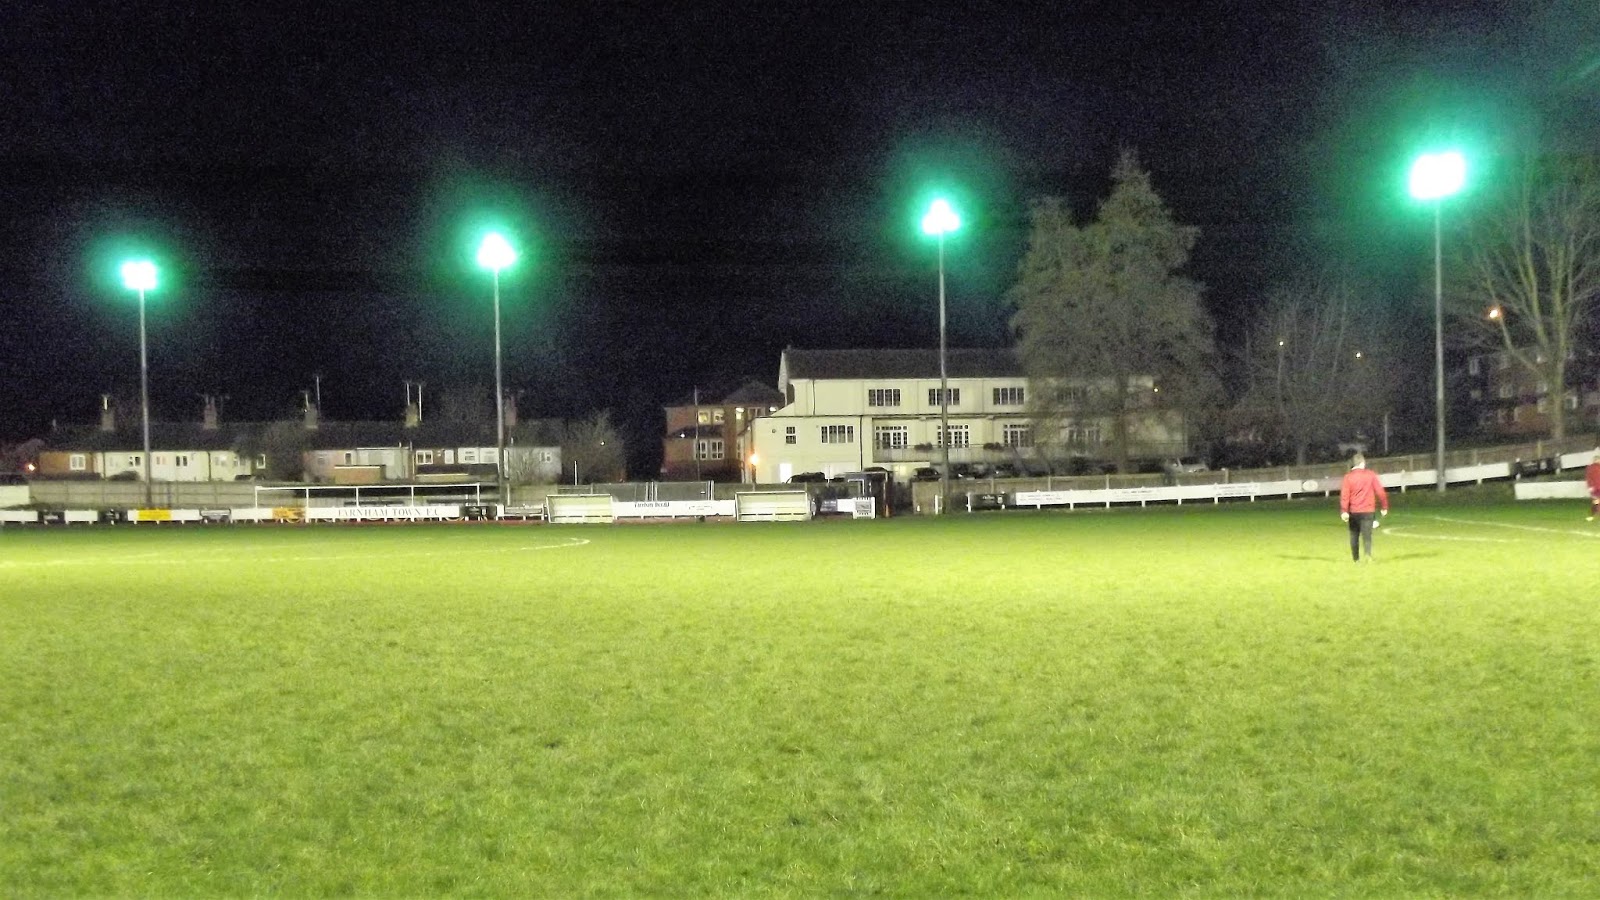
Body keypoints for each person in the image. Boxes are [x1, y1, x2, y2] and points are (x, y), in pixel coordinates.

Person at [1339, 452, 1389, 562]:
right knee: (1367, 535)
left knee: (1354, 535)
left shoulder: (1348, 477)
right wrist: (1384, 506)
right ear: (1363, 463)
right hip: (1368, 510)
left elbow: (1344, 495)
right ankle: (1368, 555)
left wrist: (1344, 511)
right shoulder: (1370, 475)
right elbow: (1380, 492)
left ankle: (1356, 559)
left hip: (1353, 511)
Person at [1586, 452, 1600, 521]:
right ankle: (1592, 515)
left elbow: (1588, 478)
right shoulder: (1591, 467)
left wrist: (1590, 487)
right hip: (1596, 488)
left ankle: (1591, 516)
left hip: (1595, 488)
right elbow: (1589, 478)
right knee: (1596, 502)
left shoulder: (1590, 468)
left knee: (1596, 501)